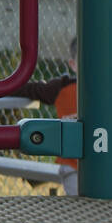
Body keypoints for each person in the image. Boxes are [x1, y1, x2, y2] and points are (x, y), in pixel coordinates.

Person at [17, 37, 77, 195]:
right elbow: (32, 89)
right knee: (82, 202)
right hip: (74, 165)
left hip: (108, 162)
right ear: (73, 64)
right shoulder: (63, 87)